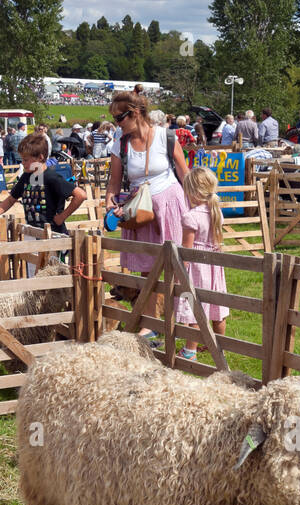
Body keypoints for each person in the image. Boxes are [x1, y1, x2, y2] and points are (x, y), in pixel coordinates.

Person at [106, 90, 191, 340]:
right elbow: (114, 183)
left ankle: (182, 320)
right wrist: (110, 202)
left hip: (170, 204)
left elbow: (185, 174)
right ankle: (152, 324)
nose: (116, 124)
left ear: (136, 114)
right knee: (148, 269)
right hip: (140, 211)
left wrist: (198, 207)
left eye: (119, 118)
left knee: (177, 265)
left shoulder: (166, 137)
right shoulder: (119, 143)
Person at [175, 166, 229, 361]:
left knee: (195, 308)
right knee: (217, 308)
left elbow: (187, 252)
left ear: (192, 192)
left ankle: (190, 351)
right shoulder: (216, 212)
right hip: (215, 266)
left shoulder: (191, 217)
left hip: (198, 268)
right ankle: (218, 347)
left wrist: (179, 274)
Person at [0, 132, 86, 234]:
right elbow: (11, 199)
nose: (22, 163)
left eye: (25, 160)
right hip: (33, 234)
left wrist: (62, 217)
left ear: (40, 157)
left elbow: (80, 195)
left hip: (54, 235)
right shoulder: (26, 177)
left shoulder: (51, 178)